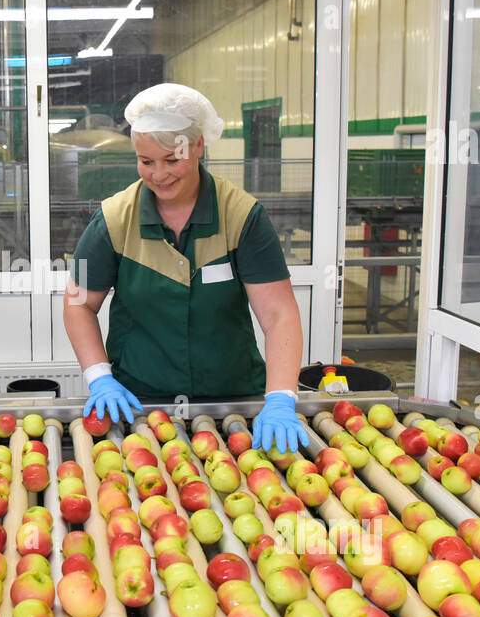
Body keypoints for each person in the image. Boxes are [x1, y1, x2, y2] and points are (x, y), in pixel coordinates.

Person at [62, 83, 308, 455]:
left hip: (232, 404)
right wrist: (99, 378)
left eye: (171, 160)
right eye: (146, 161)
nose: (158, 175)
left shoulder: (242, 215)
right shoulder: (112, 219)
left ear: (198, 148)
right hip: (140, 404)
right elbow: (78, 302)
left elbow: (278, 314)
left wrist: (280, 398)